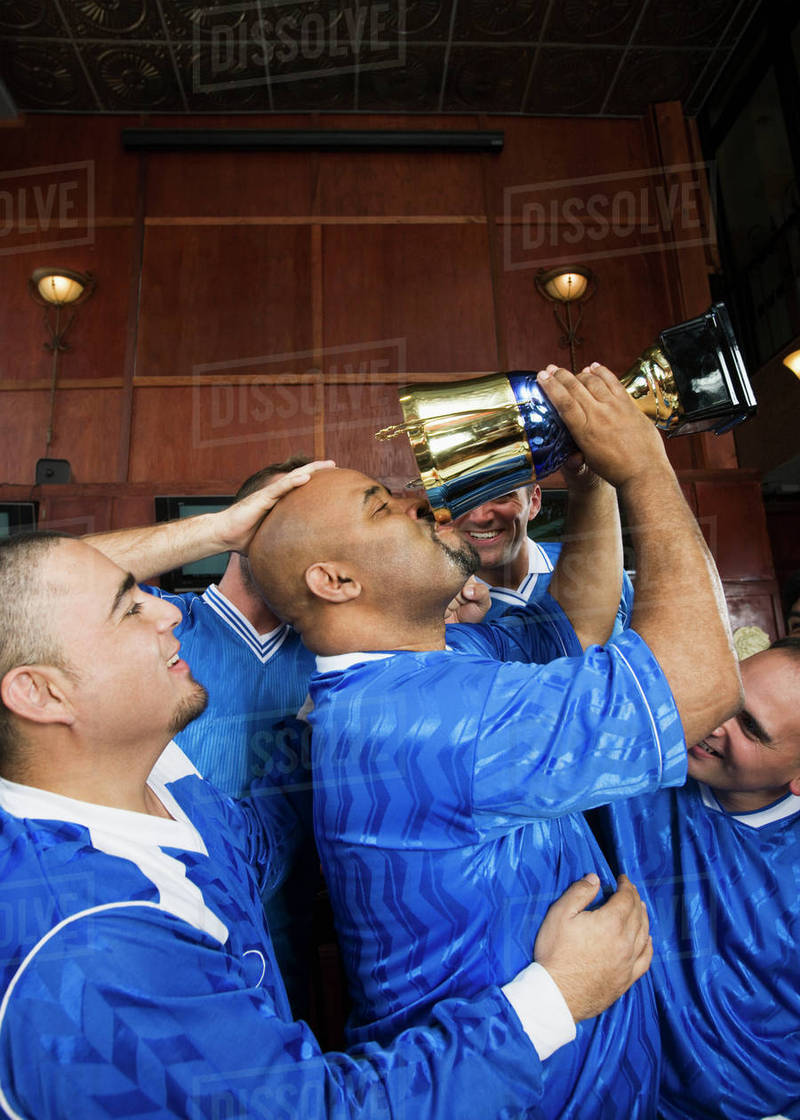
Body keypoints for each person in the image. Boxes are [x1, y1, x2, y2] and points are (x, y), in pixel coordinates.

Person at [0, 526, 655, 1120]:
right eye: (130, 607)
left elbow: (248, 846)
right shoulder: (92, 949)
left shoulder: (139, 774)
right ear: (39, 691)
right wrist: (556, 997)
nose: (171, 607)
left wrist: (343, 721)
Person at [248, 362, 743, 1120]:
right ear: (335, 582)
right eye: (385, 507)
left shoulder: (420, 674)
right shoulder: (424, 723)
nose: (425, 502)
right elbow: (703, 686)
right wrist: (645, 466)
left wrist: (593, 484)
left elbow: (573, 623)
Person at [86, 457, 319, 1014]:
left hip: (293, 933)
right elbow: (34, 585)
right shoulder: (159, 627)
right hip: (159, 925)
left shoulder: (337, 652)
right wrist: (216, 528)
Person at [593, 636, 800, 1120]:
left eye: (749, 726)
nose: (715, 720)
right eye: (725, 694)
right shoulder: (637, 756)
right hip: (613, 1093)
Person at [440, 482, 635, 628]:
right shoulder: (442, 603)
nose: (480, 517)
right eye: (462, 499)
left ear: (533, 502)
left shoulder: (596, 565)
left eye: (501, 495)